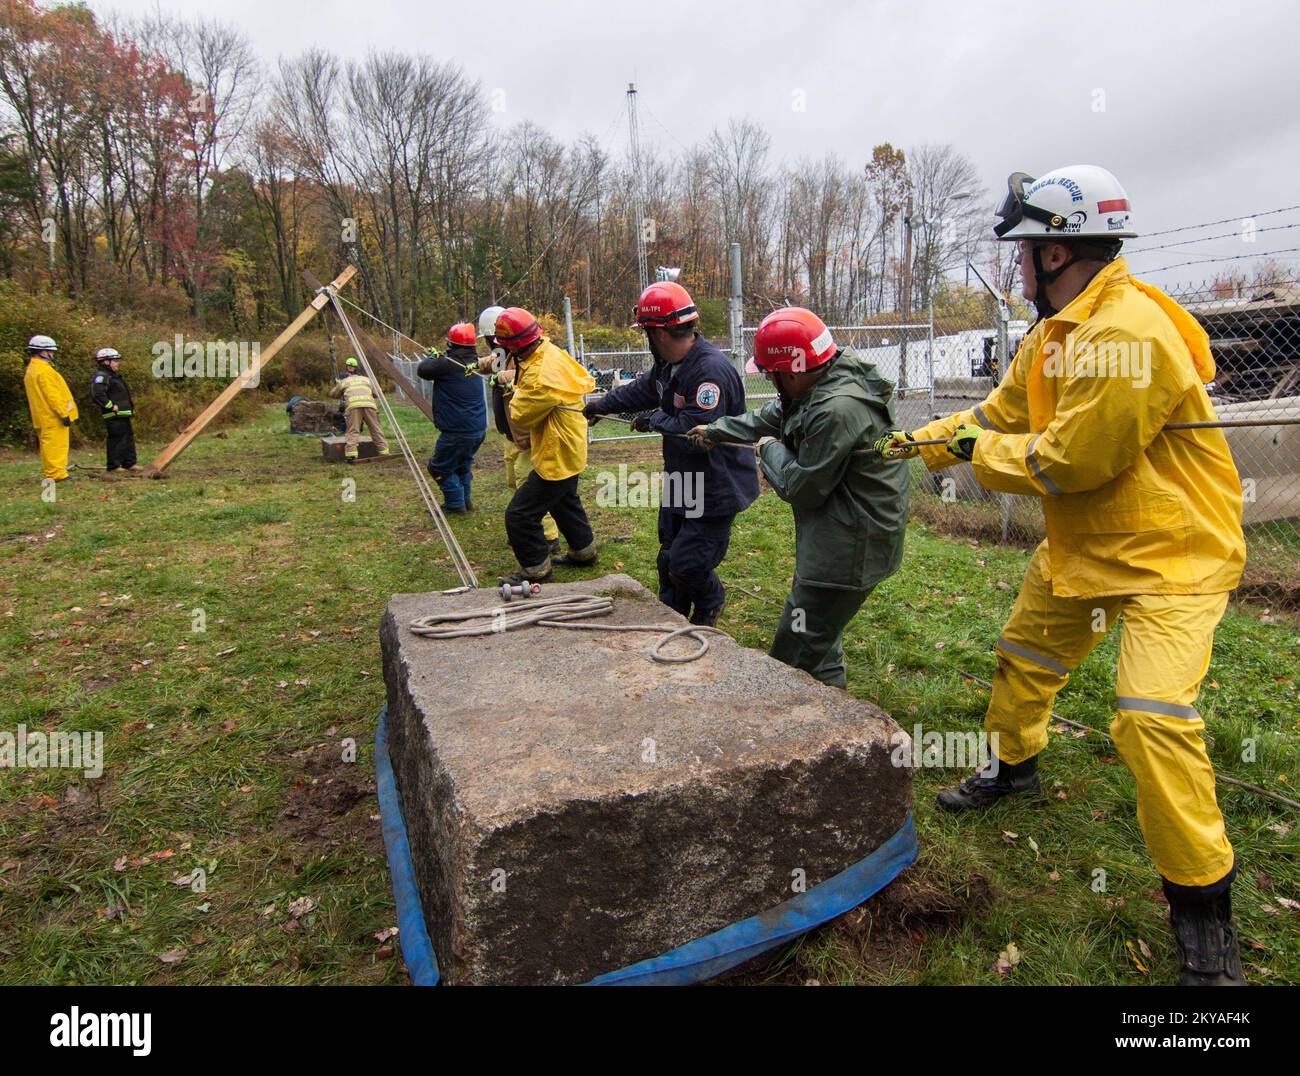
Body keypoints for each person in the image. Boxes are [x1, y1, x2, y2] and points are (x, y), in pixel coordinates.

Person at [876, 165, 1247, 985]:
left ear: (1058, 251)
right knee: (1025, 661)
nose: (1016, 266)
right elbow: (995, 417)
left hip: (1171, 559)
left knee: (1149, 717)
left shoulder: (1127, 337)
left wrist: (971, 455)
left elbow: (1069, 462)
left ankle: (1204, 923)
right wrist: (909, 446)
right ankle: (1015, 767)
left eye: (1025, 251)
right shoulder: (1058, 332)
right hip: (1087, 549)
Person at [688, 307, 909, 686]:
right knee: (822, 635)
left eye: (772, 374)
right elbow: (771, 415)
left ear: (789, 371)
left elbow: (801, 487)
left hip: (847, 551)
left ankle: (783, 722)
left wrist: (768, 449)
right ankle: (834, 706)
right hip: (839, 538)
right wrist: (717, 429)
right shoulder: (820, 379)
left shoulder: (836, 409)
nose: (772, 382)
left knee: (793, 652)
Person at [584, 281, 757, 626]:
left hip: (715, 484)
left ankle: (710, 602)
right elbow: (643, 390)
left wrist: (653, 420)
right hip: (683, 476)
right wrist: (600, 406)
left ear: (659, 333)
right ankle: (671, 616)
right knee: (669, 557)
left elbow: (697, 423)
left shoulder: (710, 372)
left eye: (646, 331)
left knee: (688, 563)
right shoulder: (668, 364)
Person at [496, 306, 598, 584]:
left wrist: (509, 387)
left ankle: (536, 570)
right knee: (564, 501)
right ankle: (584, 552)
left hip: (556, 452)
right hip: (570, 447)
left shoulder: (540, 376)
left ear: (513, 347)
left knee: (520, 514)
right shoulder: (548, 351)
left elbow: (520, 414)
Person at [476, 304, 562, 554]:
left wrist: (504, 377)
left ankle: (547, 537)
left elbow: (529, 375)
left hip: (527, 434)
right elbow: (490, 363)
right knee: (514, 483)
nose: (494, 345)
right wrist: (471, 364)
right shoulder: (503, 353)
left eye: (494, 339)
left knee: (529, 487)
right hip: (509, 435)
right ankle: (523, 530)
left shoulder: (526, 353)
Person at [416, 322, 487, 514]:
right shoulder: (475, 363)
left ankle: (455, 504)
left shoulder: (447, 364)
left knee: (438, 468)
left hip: (457, 431)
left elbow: (423, 370)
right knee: (462, 466)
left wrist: (434, 356)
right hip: (477, 429)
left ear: (451, 344)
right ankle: (465, 502)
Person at [23, 334, 78, 482]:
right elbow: (53, 396)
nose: (52, 354)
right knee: (56, 446)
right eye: (50, 351)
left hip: (43, 416)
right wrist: (63, 414)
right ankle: (57, 474)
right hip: (52, 416)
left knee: (49, 446)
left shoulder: (33, 369)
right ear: (42, 352)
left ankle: (54, 471)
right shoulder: (44, 371)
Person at [328, 356, 389, 462]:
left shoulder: (344, 381)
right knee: (376, 429)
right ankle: (384, 451)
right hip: (370, 406)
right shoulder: (367, 379)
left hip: (353, 407)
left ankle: (351, 454)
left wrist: (338, 386)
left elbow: (333, 394)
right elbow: (377, 393)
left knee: (353, 430)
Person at [89, 347, 140, 473]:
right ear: (106, 362)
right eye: (115, 360)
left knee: (127, 439)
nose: (117, 363)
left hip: (123, 414)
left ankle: (129, 463)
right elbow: (97, 394)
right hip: (113, 414)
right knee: (117, 439)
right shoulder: (102, 376)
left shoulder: (113, 376)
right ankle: (114, 465)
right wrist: (110, 406)